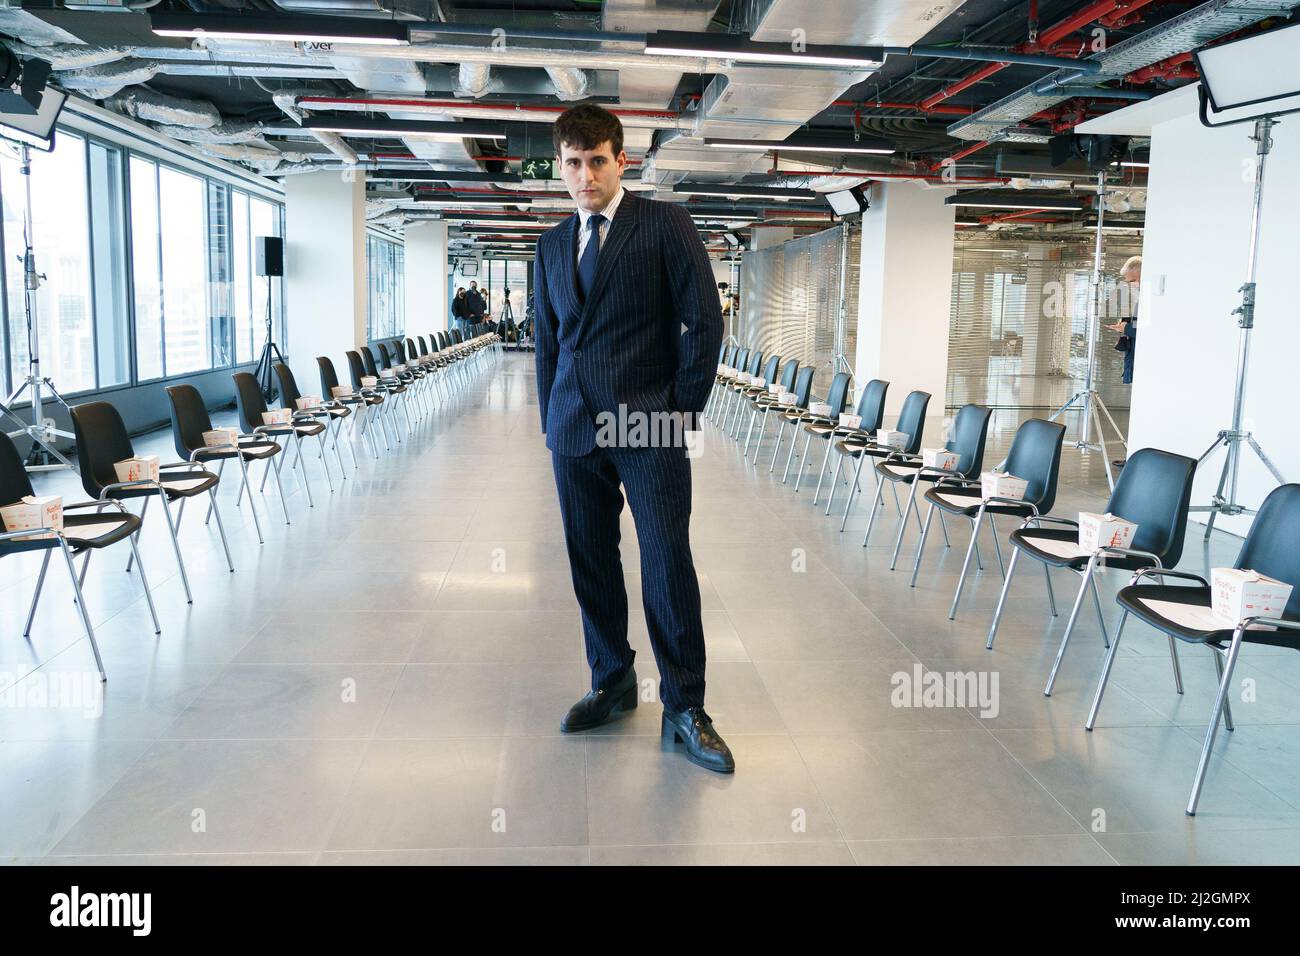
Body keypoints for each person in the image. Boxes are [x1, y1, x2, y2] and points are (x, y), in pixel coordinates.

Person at [534, 103, 730, 772]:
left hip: (648, 422)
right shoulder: (553, 243)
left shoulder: (664, 226)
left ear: (623, 161)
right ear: (560, 166)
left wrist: (679, 414)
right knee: (590, 558)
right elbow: (549, 344)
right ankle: (611, 679)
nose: (584, 176)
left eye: (596, 161)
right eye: (572, 163)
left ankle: (685, 704)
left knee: (666, 559)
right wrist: (549, 422)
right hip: (574, 427)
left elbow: (704, 324)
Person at [1107, 255, 1141, 385]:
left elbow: (1147, 332)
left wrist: (1126, 328)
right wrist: (1124, 326)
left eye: (1132, 281)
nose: (1130, 286)